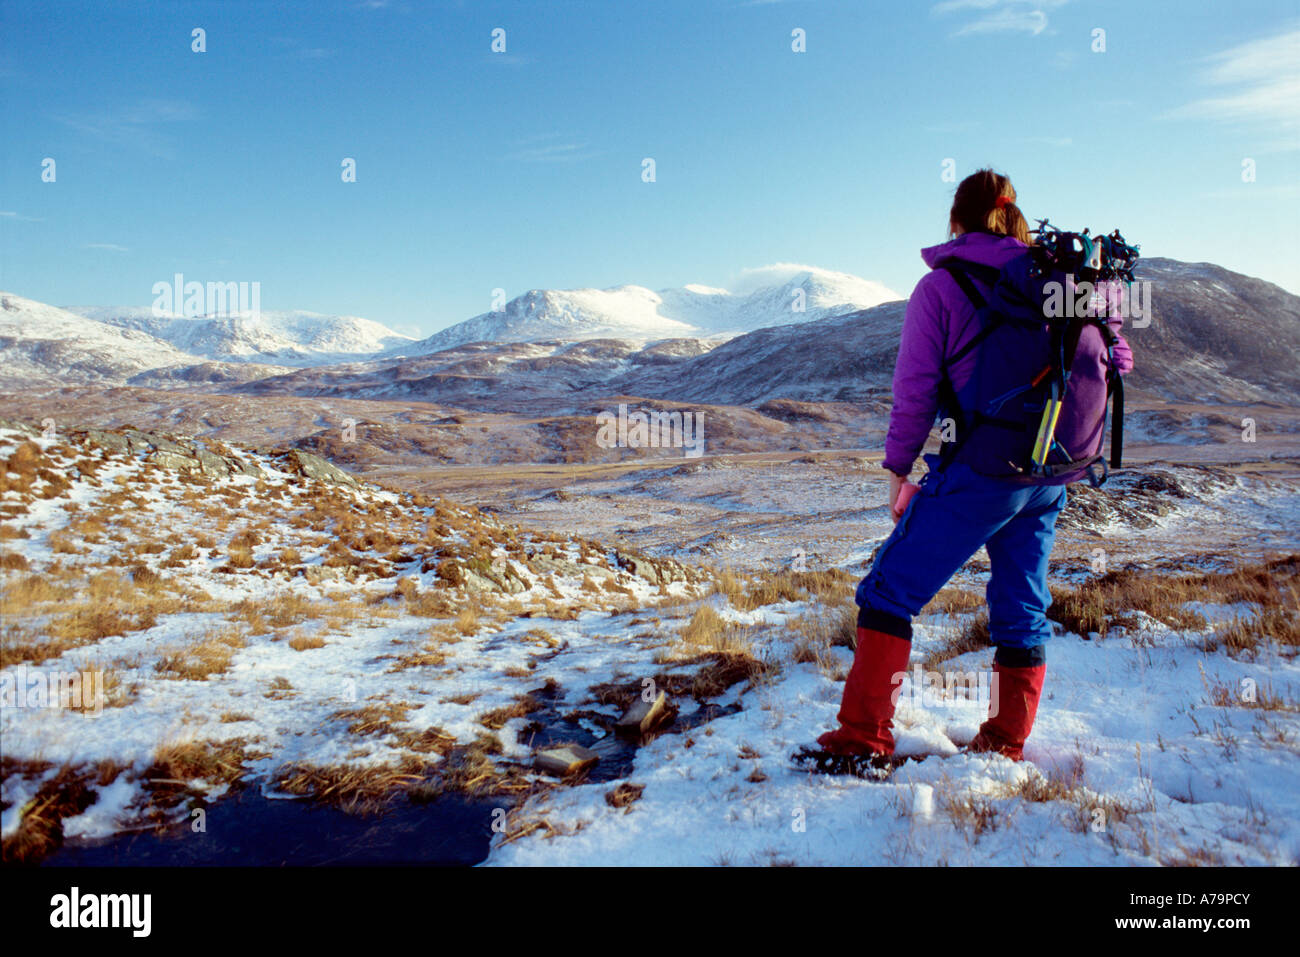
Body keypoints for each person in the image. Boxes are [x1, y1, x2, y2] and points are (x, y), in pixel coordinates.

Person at [808, 169, 1133, 769]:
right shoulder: (1065, 283)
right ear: (1014, 217)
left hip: (981, 472)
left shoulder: (942, 286)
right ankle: (1007, 740)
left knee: (888, 590)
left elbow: (915, 393)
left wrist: (898, 470)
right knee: (1021, 603)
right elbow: (1118, 360)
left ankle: (862, 739)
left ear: (956, 221)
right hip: (1048, 474)